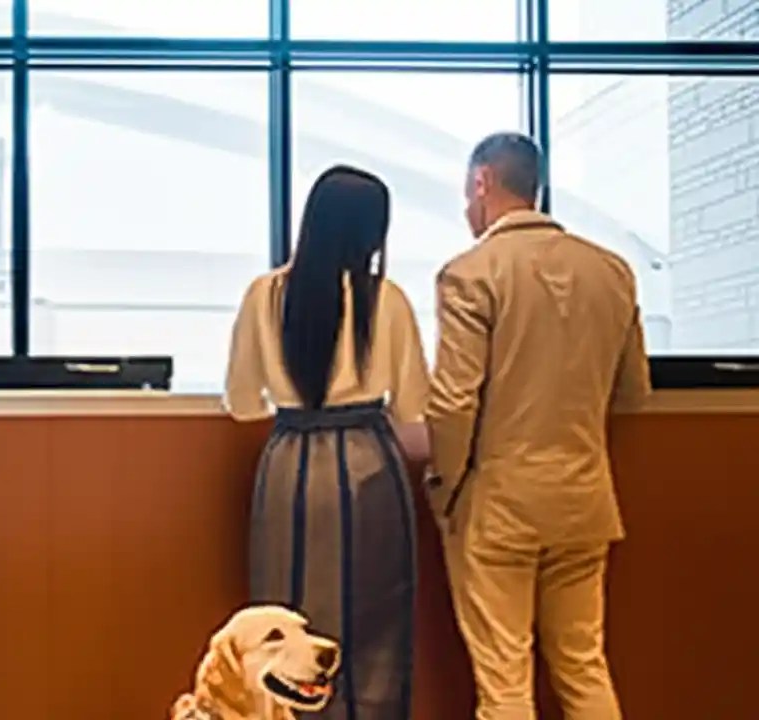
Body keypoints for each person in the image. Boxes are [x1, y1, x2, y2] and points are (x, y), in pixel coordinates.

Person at [426, 132, 652, 720]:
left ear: (482, 183)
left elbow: (453, 403)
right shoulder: (613, 271)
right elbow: (632, 393)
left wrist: (446, 489)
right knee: (583, 664)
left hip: (499, 505)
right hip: (585, 500)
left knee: (505, 679)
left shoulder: (470, 274)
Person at [225, 165, 431, 720]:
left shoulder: (263, 294)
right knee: (376, 618)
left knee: (285, 622)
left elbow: (243, 403)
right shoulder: (387, 300)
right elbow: (413, 406)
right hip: (369, 465)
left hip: (288, 468)